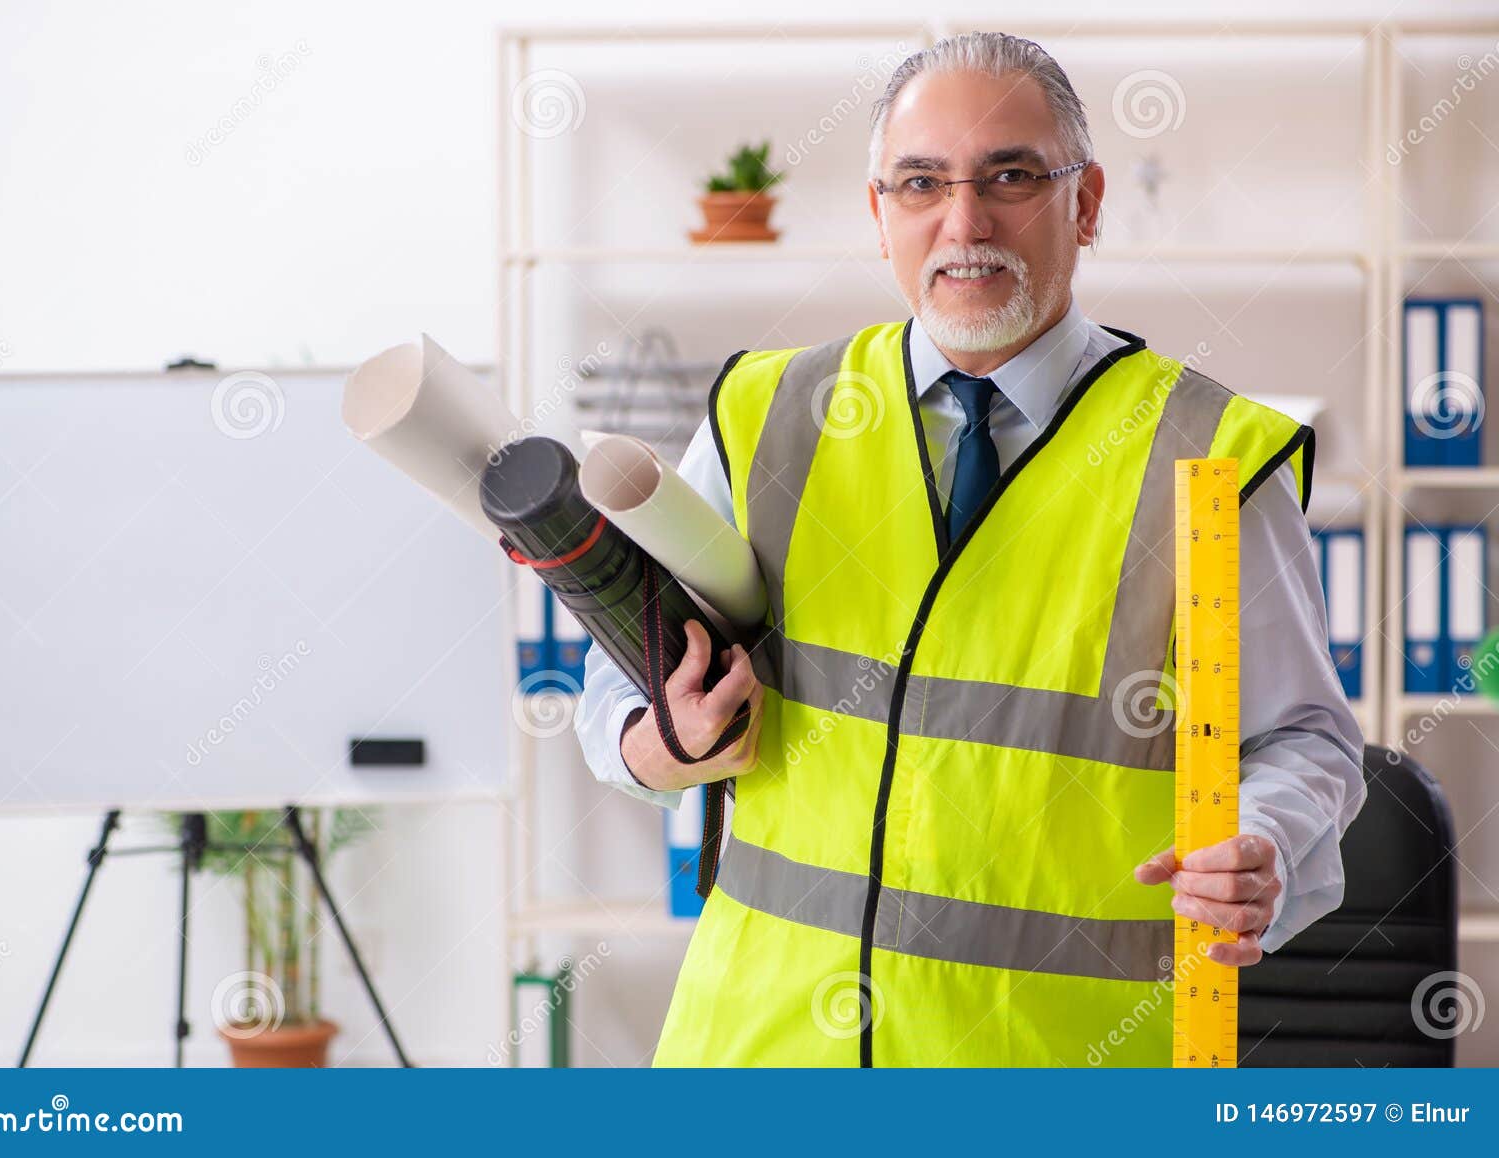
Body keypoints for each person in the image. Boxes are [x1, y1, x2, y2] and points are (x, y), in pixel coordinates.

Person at [573, 31, 1365, 1067]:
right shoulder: (767, 415)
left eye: (1010, 176)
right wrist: (655, 742)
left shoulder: (1208, 456)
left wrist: (1260, 839)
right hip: (758, 1060)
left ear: (1084, 203)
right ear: (877, 213)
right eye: (919, 183)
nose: (964, 223)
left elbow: (1306, 741)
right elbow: (615, 680)